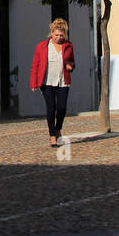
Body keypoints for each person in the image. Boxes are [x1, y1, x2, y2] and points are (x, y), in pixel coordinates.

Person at [30, 18, 76, 147]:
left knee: (61, 108)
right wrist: (33, 82)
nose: (59, 38)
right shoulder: (42, 46)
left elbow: (72, 62)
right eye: (56, 35)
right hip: (47, 82)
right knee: (51, 108)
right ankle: (52, 136)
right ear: (51, 33)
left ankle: (58, 129)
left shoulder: (68, 46)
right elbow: (35, 65)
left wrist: (70, 66)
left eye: (61, 35)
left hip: (63, 82)